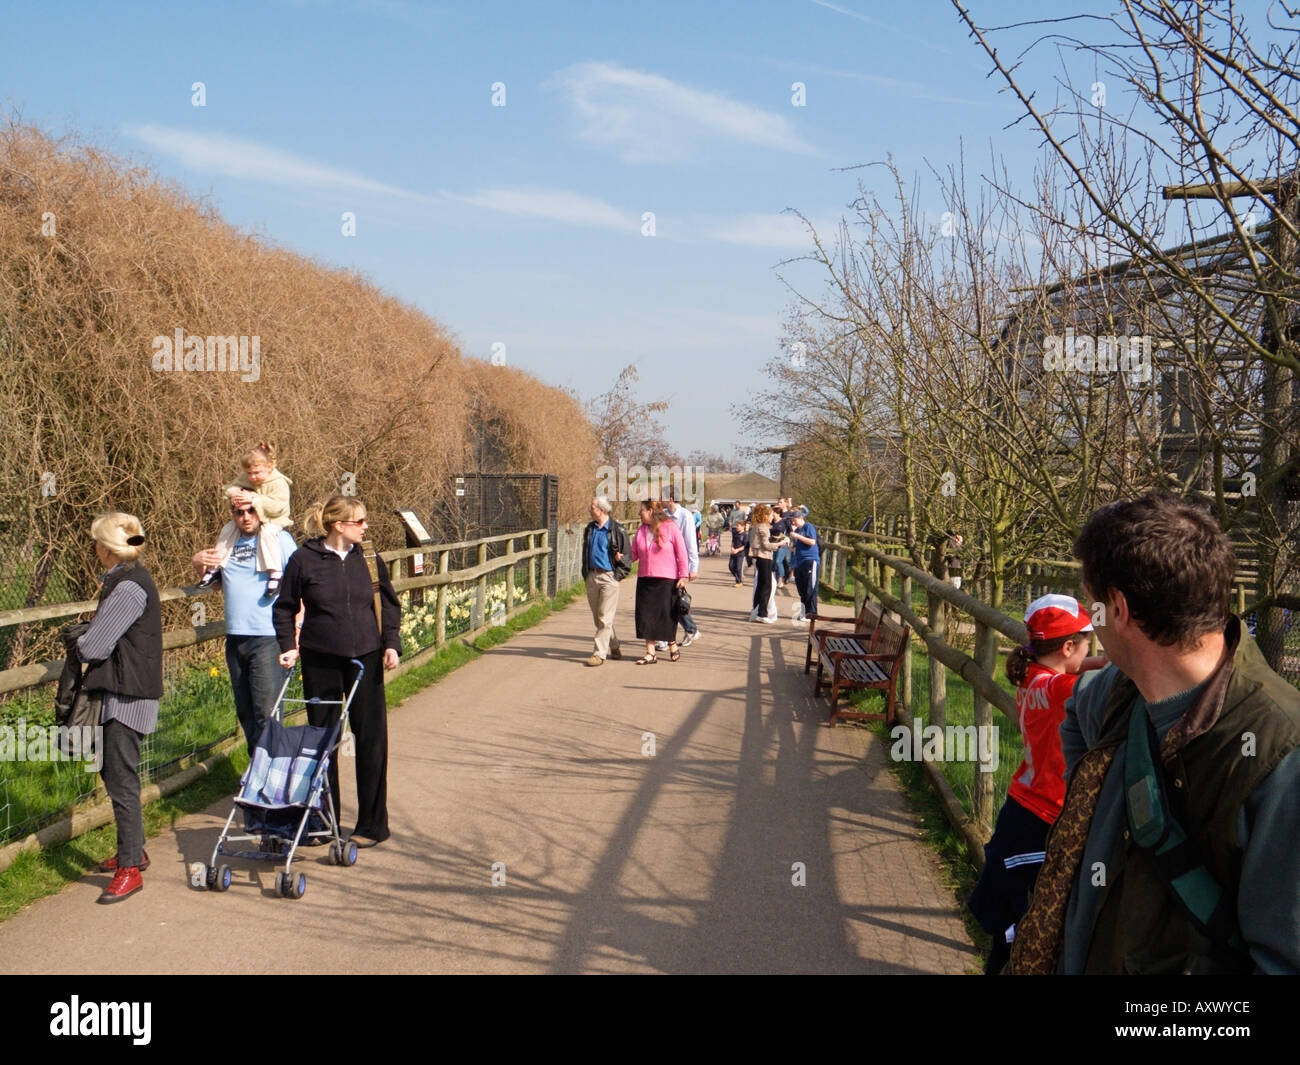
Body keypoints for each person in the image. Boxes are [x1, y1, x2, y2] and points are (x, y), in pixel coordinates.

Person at [1008, 494, 1300, 974]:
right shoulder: (1121, 692)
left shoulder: (1280, 758)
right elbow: (1077, 712)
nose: (1091, 623)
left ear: (1118, 608)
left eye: (1094, 606)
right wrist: (1090, 806)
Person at [967, 595, 1106, 974]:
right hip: (1043, 816)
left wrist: (1096, 659)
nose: (1091, 653)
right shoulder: (1064, 690)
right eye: (1087, 644)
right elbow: (1093, 681)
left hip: (1021, 806)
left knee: (1016, 918)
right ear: (1067, 646)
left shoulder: (1031, 674)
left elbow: (1076, 668)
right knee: (1031, 918)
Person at [273, 496, 401, 846]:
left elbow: (388, 604)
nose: (366, 526)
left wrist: (391, 643)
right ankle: (321, 822)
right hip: (320, 660)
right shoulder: (303, 560)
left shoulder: (370, 559)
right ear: (338, 525)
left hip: (366, 659)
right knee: (323, 742)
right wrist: (288, 645)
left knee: (371, 740)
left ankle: (372, 825)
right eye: (360, 521)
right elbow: (284, 607)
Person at [77, 513, 162, 903]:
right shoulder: (126, 579)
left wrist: (80, 640)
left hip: (127, 698)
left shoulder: (127, 587)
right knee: (118, 778)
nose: (92, 548)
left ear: (106, 547)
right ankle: (134, 851)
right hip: (126, 691)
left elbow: (94, 646)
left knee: (122, 781)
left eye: (95, 541)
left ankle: (130, 868)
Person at [192, 494, 298, 749]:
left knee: (266, 713)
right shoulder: (228, 541)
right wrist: (198, 563)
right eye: (239, 512)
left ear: (261, 511)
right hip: (236, 636)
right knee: (246, 711)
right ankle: (256, 774)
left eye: (251, 511)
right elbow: (217, 584)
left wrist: (297, 634)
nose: (245, 517)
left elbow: (300, 585)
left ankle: (273, 778)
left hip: (268, 636)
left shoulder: (278, 539)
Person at [199, 443, 294, 595]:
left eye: (256, 473)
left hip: (274, 519)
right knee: (228, 529)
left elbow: (278, 507)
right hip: (256, 517)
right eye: (249, 473)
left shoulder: (279, 483)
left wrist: (254, 499)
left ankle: (275, 572)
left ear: (269, 467)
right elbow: (228, 488)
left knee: (267, 533)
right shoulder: (246, 478)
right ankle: (215, 568)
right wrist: (236, 493)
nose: (252, 477)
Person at [629, 501, 688, 664]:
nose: (639, 513)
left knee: (666, 615)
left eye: (641, 510)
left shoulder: (671, 527)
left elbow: (682, 552)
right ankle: (650, 653)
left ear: (650, 511)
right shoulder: (641, 531)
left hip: (667, 579)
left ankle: (672, 644)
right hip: (645, 578)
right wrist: (621, 557)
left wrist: (684, 575)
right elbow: (633, 554)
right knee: (645, 616)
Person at [581, 496, 629, 666]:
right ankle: (614, 644)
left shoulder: (617, 530)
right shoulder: (590, 529)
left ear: (601, 510)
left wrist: (618, 575)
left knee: (604, 617)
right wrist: (586, 574)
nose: (589, 509)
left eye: (592, 506)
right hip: (592, 576)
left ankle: (599, 654)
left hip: (609, 577)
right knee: (599, 618)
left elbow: (626, 557)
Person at [662, 492, 702, 648]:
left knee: (674, 600)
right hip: (666, 563)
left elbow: (691, 543)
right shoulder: (664, 514)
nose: (660, 500)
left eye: (662, 497)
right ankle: (689, 630)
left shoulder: (685, 516)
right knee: (672, 600)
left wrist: (693, 568)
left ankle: (689, 630)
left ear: (670, 498)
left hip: (680, 563)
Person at [747, 503, 784, 624]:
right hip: (764, 557)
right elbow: (766, 545)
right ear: (765, 515)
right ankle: (762, 613)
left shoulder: (755, 526)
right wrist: (779, 544)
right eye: (770, 514)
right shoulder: (763, 527)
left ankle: (756, 610)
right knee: (766, 585)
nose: (772, 517)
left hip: (758, 557)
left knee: (761, 585)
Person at [787, 508, 821, 624]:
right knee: (801, 588)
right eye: (792, 520)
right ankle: (804, 612)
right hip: (799, 562)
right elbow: (796, 548)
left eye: (794, 520)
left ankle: (811, 613)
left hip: (810, 560)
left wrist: (796, 536)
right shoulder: (799, 530)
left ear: (800, 518)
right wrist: (789, 544)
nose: (793, 522)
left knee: (810, 588)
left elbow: (812, 542)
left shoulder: (808, 527)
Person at [728, 518, 749, 587]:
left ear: (743, 526)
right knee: (731, 566)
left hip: (740, 554)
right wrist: (732, 548)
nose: (737, 527)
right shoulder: (735, 534)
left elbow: (745, 546)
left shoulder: (745, 535)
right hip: (733, 553)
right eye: (737, 525)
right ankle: (738, 578)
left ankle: (739, 582)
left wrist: (737, 550)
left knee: (738, 568)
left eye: (738, 526)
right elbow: (733, 542)